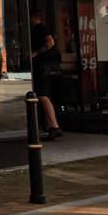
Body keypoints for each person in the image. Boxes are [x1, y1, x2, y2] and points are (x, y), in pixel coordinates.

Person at [30, 10, 63, 140]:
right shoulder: (40, 28)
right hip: (45, 67)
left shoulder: (40, 28)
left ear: (34, 17)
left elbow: (50, 42)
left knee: (43, 95)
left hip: (43, 67)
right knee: (42, 95)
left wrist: (36, 53)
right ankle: (50, 126)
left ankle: (54, 126)